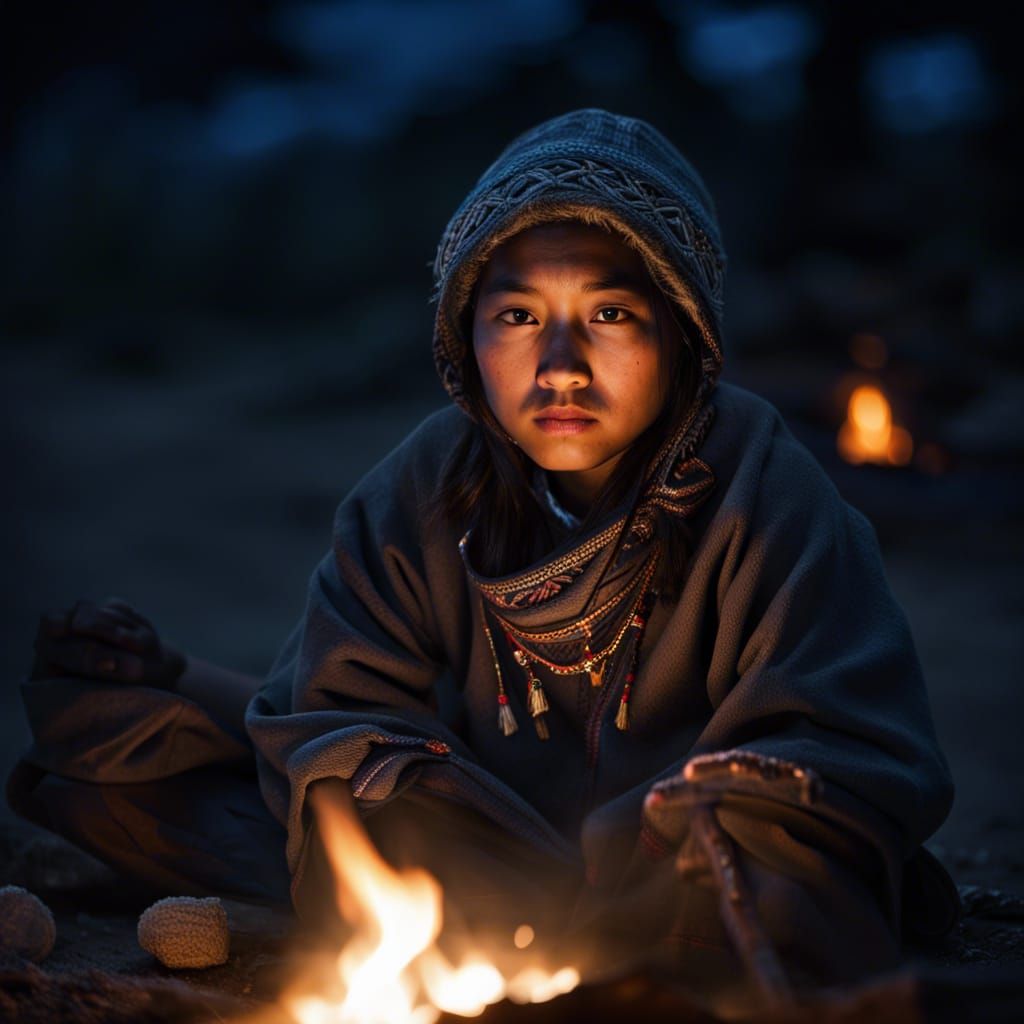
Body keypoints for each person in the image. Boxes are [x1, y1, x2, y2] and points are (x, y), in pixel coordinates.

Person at [11, 109, 957, 1012]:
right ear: (463, 337)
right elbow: (334, 715)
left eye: (612, 313)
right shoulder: (418, 491)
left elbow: (841, 748)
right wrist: (219, 703)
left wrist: (680, 831)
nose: (560, 366)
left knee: (767, 870)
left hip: (677, 871)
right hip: (479, 860)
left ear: (686, 335)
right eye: (515, 316)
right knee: (215, 769)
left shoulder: (768, 496)